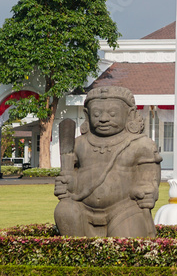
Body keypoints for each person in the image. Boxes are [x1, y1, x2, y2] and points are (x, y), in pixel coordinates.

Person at [54, 86, 162, 237]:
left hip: (124, 209)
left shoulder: (141, 145)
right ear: (87, 114)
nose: (104, 119)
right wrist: (66, 184)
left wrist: (148, 190)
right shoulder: (79, 144)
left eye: (112, 113)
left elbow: (149, 178)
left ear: (129, 114)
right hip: (83, 208)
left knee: (125, 243)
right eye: (97, 113)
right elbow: (73, 176)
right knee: (64, 210)